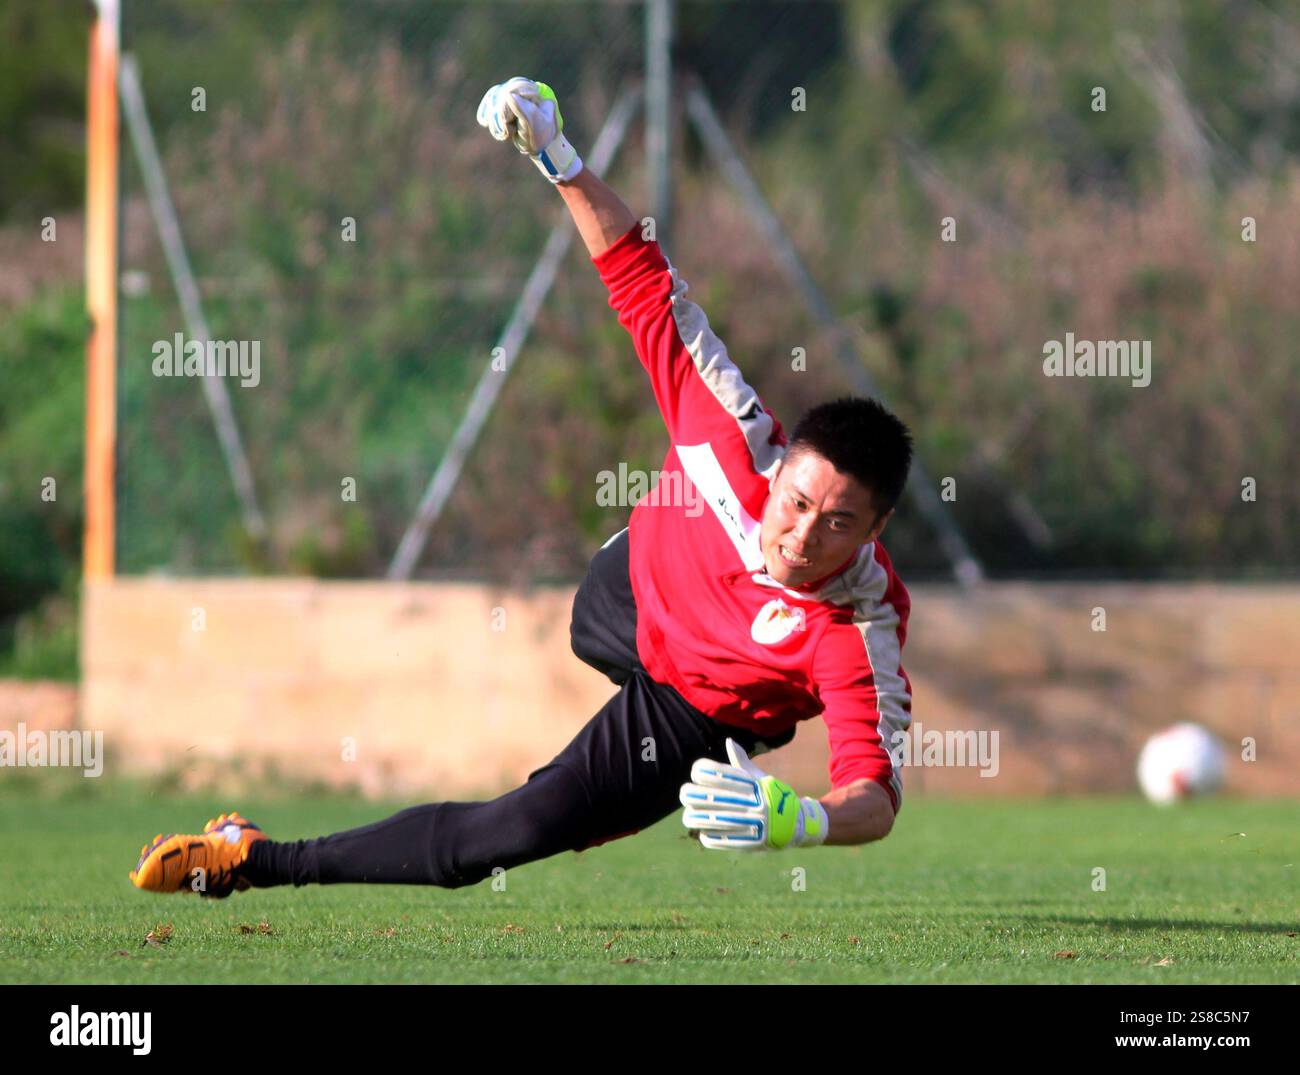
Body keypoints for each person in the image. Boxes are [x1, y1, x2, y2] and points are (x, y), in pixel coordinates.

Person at [129, 77, 914, 899]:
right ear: (781, 465)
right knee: (585, 631)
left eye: (837, 524)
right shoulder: (726, 433)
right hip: (626, 593)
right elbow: (641, 275)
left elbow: (876, 795)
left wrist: (803, 820)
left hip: (697, 705)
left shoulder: (859, 624)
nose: (802, 534)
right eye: (797, 502)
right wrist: (557, 156)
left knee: (518, 832)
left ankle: (249, 857)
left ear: (874, 529)